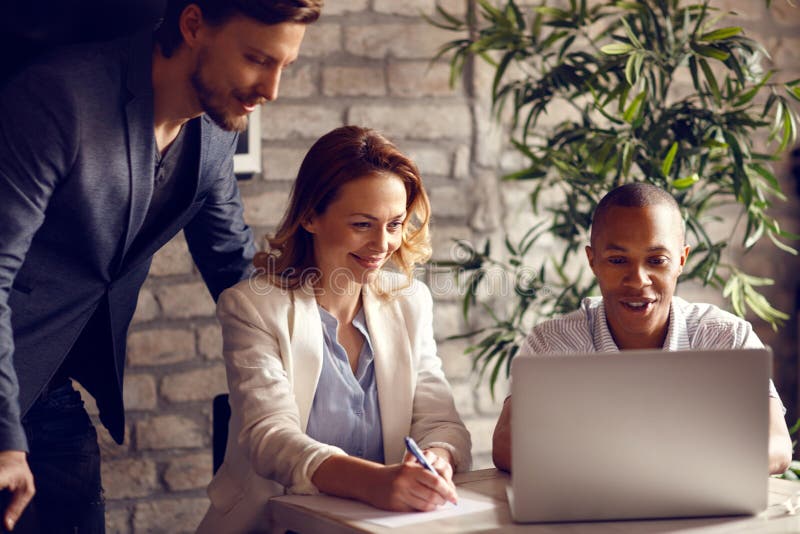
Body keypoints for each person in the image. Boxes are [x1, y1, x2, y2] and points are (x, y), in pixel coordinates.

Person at [0, 0, 322, 531]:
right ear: (193, 26)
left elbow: (232, 266)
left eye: (283, 66)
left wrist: (316, 370)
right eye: (256, 59)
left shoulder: (215, 134)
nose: (271, 90)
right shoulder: (60, 99)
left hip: (53, 390)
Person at [197, 126, 472, 534]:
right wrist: (374, 482)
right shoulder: (252, 306)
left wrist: (435, 458)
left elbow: (440, 421)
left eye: (394, 224)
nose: (383, 244)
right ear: (310, 215)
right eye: (363, 224)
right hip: (274, 526)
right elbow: (271, 438)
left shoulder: (410, 301)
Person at [491, 183, 793, 476]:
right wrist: (621, 466)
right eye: (618, 260)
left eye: (656, 260)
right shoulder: (552, 343)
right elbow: (506, 443)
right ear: (593, 261)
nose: (637, 280)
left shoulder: (727, 337)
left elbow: (778, 445)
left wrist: (682, 466)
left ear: (681, 260)